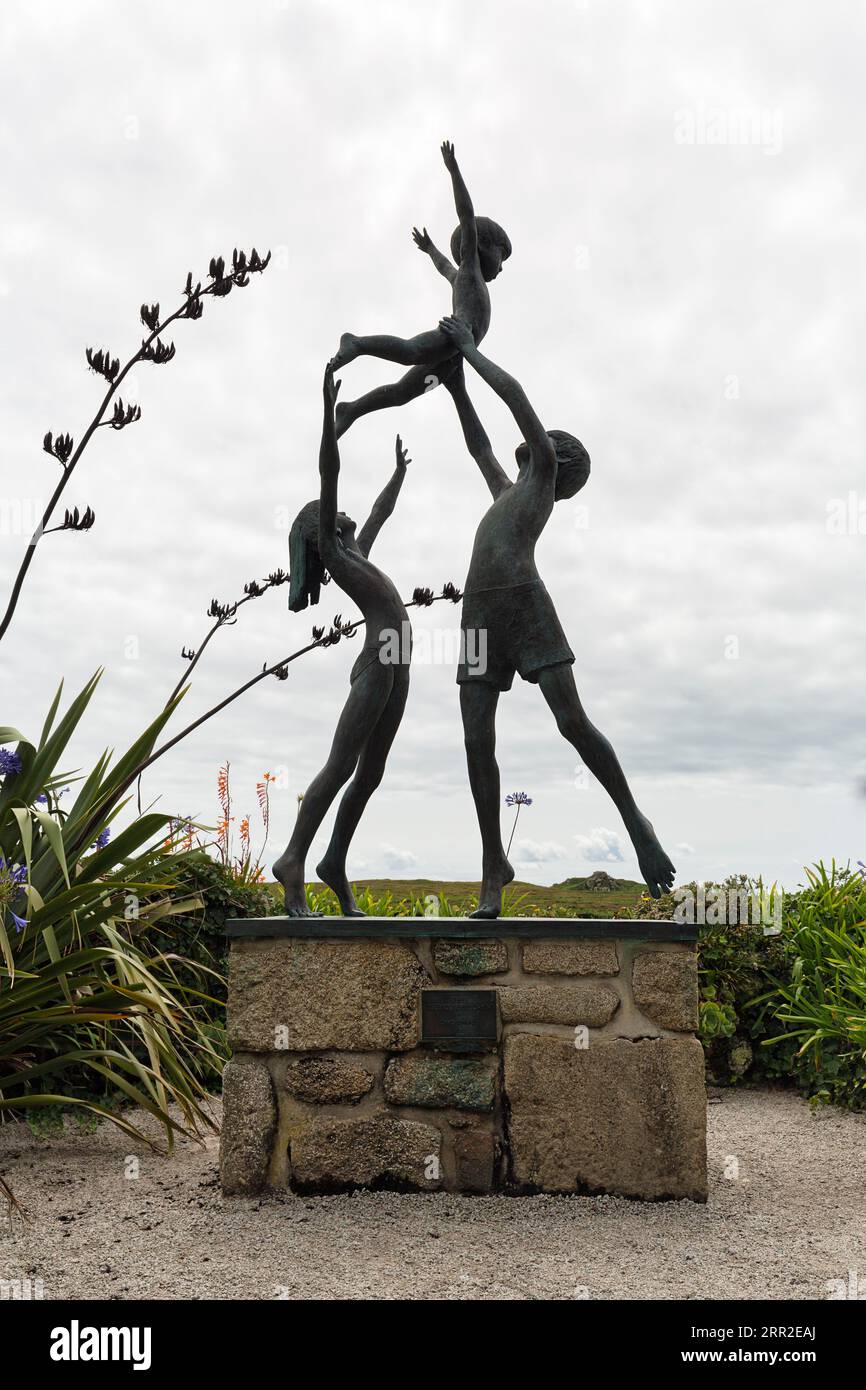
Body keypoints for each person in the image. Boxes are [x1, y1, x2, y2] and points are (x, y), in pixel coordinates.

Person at [438, 316, 676, 918]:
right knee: (474, 738)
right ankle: (494, 864)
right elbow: (479, 446)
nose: (538, 439)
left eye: (548, 437)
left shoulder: (542, 474)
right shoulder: (505, 490)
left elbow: (517, 401)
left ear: (555, 457)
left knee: (572, 721)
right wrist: (455, 385)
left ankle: (637, 822)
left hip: (525, 604)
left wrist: (468, 350)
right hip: (477, 617)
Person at [272, 364, 412, 916]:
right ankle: (293, 859)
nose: (347, 510)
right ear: (323, 530)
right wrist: (328, 422)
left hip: (399, 660)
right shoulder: (334, 554)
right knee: (341, 765)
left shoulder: (359, 553)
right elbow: (330, 473)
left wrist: (398, 474)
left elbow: (378, 512)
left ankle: (333, 861)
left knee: (372, 772)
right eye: (334, 512)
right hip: (378, 660)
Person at [330, 140, 511, 438]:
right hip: (454, 336)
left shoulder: (461, 277)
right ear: (480, 245)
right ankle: (356, 343)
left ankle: (351, 410)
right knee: (410, 350)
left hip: (453, 355)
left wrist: (430, 249)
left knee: (403, 392)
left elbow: (443, 267)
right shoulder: (470, 267)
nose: (501, 267)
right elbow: (467, 216)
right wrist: (454, 170)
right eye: (501, 256)